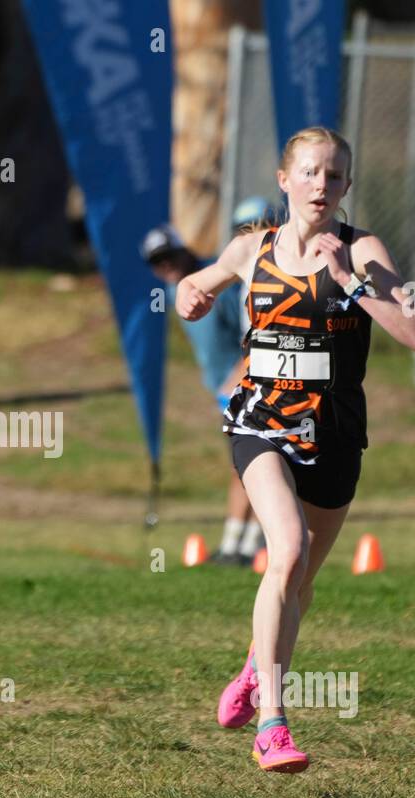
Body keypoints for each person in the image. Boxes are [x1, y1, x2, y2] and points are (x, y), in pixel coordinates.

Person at [176, 127, 415, 772]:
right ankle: (273, 726)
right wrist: (191, 295)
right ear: (285, 179)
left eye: (336, 176)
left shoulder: (362, 249)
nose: (323, 185)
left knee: (299, 582)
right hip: (261, 420)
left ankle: (254, 667)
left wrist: (351, 283)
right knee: (285, 549)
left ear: (346, 187)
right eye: (312, 172)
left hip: (336, 433)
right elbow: (195, 285)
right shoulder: (251, 248)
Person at [141, 199, 280, 564]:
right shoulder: (179, 288)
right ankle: (238, 542)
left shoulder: (223, 284)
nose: (165, 265)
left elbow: (252, 334)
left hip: (247, 382)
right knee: (242, 465)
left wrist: (238, 376)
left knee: (252, 463)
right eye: (156, 262)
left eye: (169, 255)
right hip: (224, 389)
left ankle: (247, 545)